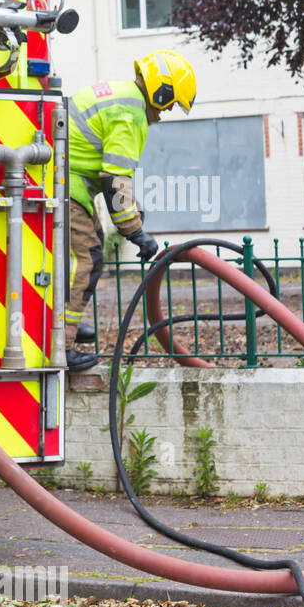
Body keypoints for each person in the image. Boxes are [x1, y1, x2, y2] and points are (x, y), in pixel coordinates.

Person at [65, 49, 197, 371]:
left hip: (65, 177)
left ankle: (66, 321)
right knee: (88, 258)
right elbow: (115, 180)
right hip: (66, 182)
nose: (164, 113)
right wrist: (136, 232)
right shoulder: (132, 114)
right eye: (169, 103)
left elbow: (112, 174)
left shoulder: (123, 97)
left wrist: (133, 212)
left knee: (82, 254)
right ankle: (61, 343)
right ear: (160, 91)